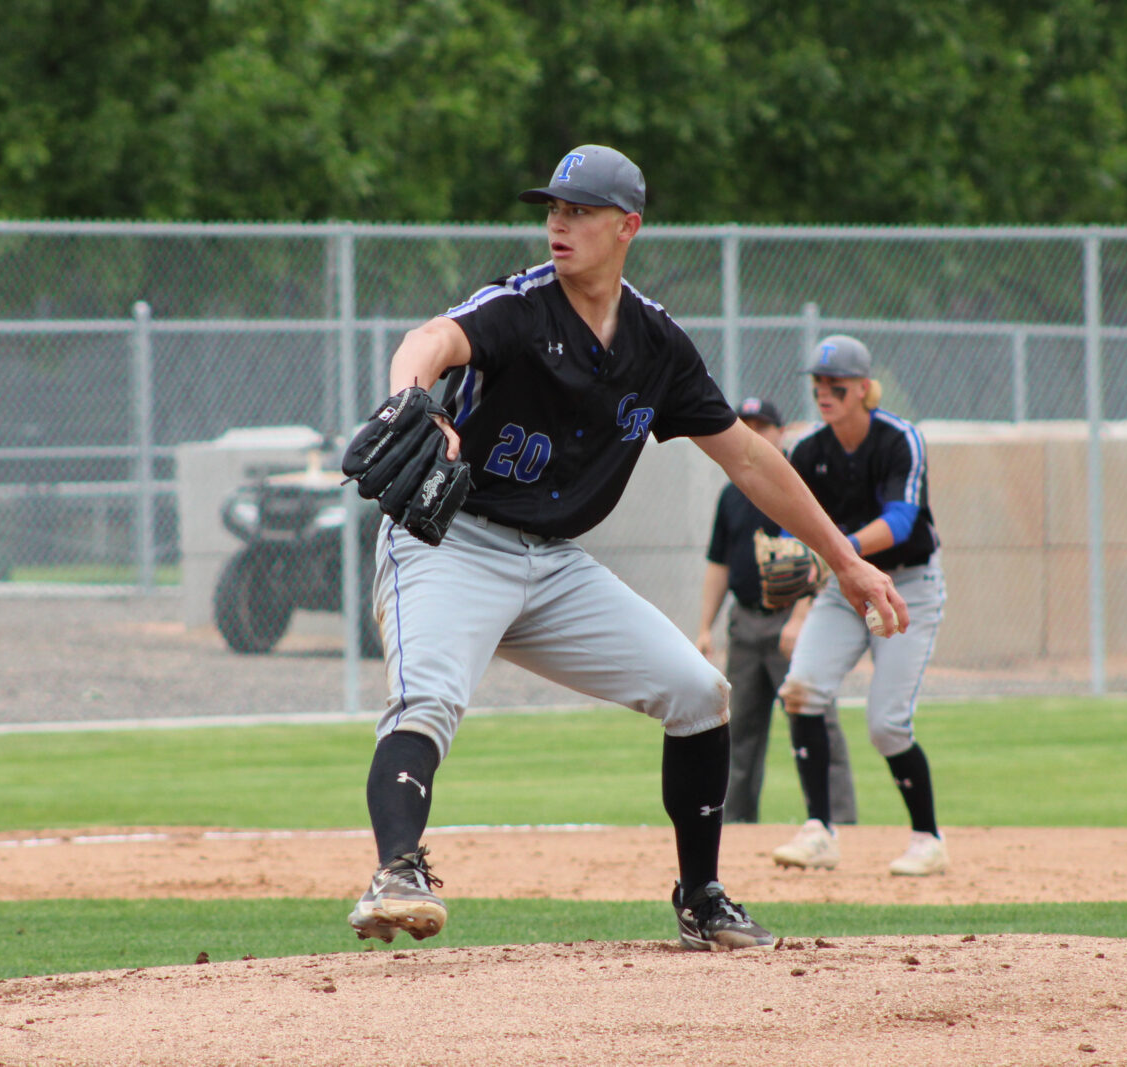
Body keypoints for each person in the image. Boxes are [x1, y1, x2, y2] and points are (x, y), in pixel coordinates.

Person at [345, 145, 909, 952]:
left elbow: (749, 457)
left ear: (627, 227)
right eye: (553, 208)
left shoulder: (656, 346)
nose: (558, 223)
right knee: (427, 697)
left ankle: (702, 897)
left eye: (579, 210)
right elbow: (431, 339)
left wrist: (848, 560)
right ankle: (396, 871)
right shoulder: (522, 307)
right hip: (452, 544)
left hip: (553, 565)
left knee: (698, 692)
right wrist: (409, 395)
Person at [770, 335, 948, 876]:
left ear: (864, 390)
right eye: (819, 385)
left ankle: (928, 840)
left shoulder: (900, 440)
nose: (825, 393)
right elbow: (790, 524)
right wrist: (792, 564)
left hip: (907, 584)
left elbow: (901, 521)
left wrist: (839, 551)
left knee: (886, 725)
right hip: (843, 590)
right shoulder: (808, 451)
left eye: (838, 386)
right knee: (800, 692)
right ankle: (819, 831)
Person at [695, 396, 857, 829]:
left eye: (762, 425)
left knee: (815, 717)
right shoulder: (732, 493)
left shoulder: (795, 486)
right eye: (745, 424)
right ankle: (737, 827)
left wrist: (802, 617)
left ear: (781, 433)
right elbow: (719, 564)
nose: (753, 431)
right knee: (739, 732)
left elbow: (821, 553)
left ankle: (838, 821)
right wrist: (704, 628)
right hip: (745, 623)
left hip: (794, 620)